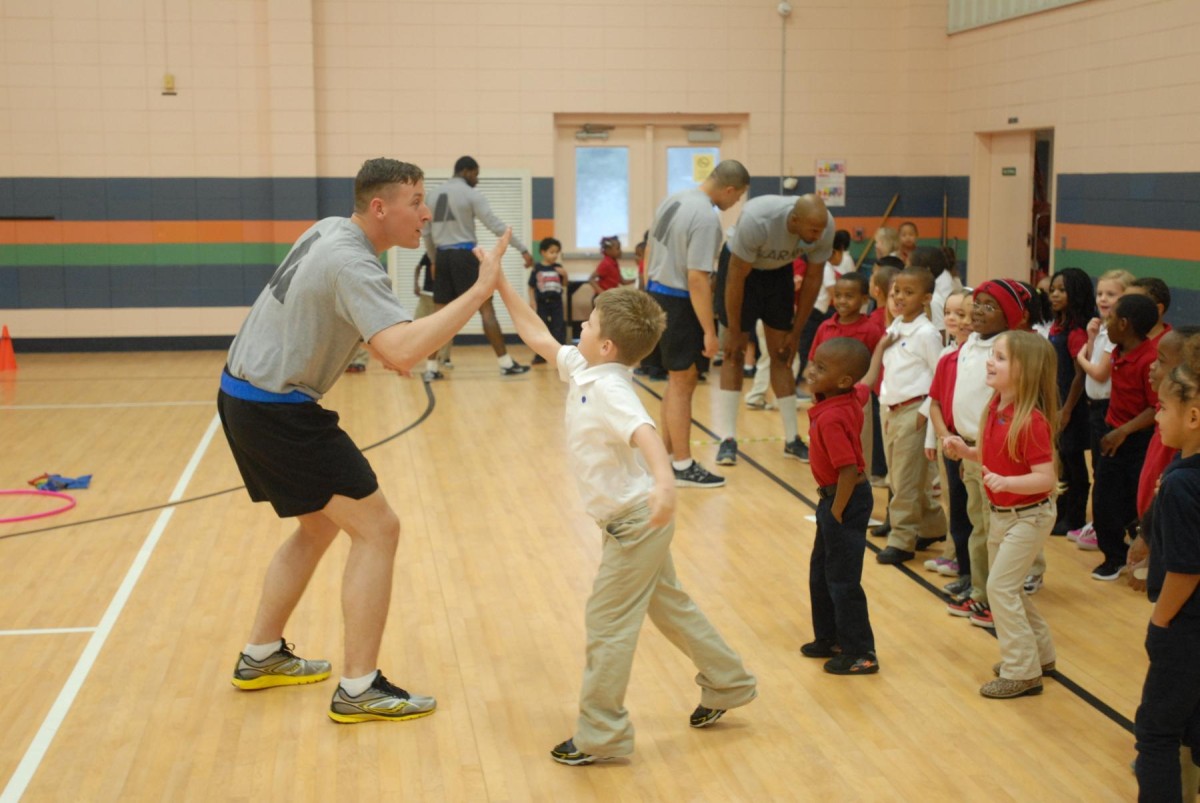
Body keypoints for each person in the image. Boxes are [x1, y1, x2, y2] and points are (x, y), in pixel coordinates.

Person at [221, 158, 510, 722]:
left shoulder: (331, 228)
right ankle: (359, 688)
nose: (426, 214)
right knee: (379, 529)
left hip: (244, 395)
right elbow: (401, 348)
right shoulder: (353, 263)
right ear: (380, 208)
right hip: (278, 411)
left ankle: (260, 654)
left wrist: (383, 344)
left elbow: (335, 316)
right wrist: (480, 291)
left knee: (320, 523)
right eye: (416, 201)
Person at [494, 280, 758, 765]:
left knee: (607, 621)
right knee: (670, 606)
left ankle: (602, 733)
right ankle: (729, 681)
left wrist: (664, 482)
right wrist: (500, 285)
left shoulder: (612, 388)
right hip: (631, 522)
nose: (581, 328)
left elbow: (645, 433)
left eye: (589, 324)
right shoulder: (586, 369)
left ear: (607, 344)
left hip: (636, 522)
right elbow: (537, 336)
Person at [944, 331, 1059, 699]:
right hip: (1003, 515)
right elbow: (996, 454)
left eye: (1001, 357)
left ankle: (1022, 672)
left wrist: (1007, 480)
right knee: (1007, 587)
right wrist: (967, 450)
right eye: (991, 355)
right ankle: (1039, 656)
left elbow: (1046, 478)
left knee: (1000, 588)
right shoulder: (995, 407)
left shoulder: (1032, 421)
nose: (990, 362)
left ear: (1026, 371)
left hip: (1030, 516)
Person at [644, 160, 751, 488]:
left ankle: (664, 459)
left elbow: (649, 250)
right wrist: (709, 331)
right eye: (737, 198)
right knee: (682, 382)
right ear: (729, 189)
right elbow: (697, 278)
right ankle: (682, 464)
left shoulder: (674, 199)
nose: (735, 204)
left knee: (677, 381)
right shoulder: (706, 217)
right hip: (678, 302)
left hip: (656, 294)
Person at [712, 193, 836, 466]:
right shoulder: (759, 219)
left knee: (782, 353)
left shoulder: (824, 227)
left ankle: (792, 439)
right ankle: (728, 439)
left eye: (821, 229)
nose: (819, 235)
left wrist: (796, 332)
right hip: (740, 270)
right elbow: (735, 278)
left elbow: (813, 279)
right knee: (734, 353)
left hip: (778, 273)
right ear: (794, 220)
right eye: (813, 230)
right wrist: (734, 329)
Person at [1133, 337, 1200, 800]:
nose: (1157, 418)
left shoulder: (1180, 484)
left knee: (1156, 734)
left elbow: (1185, 569)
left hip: (1187, 626)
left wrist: (1160, 622)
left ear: (1192, 417)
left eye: (1162, 409)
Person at [943, 279, 1030, 627]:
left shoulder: (1009, 349)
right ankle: (981, 592)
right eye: (976, 303)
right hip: (968, 448)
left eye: (989, 306)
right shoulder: (969, 344)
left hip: (991, 450)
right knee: (978, 526)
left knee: (995, 530)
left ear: (1009, 315)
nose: (977, 310)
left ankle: (997, 597)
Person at [800, 337, 881, 675]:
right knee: (821, 574)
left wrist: (836, 512)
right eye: (814, 362)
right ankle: (830, 638)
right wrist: (880, 350)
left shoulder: (832, 417)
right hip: (836, 499)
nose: (811, 371)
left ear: (843, 381)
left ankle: (861, 653)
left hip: (844, 499)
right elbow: (867, 383)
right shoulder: (847, 396)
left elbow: (849, 470)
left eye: (821, 368)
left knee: (842, 580)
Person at [424, 155, 534, 376]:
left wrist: (434, 260)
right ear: (466, 171)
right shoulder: (470, 194)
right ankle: (505, 364)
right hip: (465, 254)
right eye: (476, 174)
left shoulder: (433, 194)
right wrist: (522, 248)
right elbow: (494, 224)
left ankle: (431, 368)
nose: (477, 179)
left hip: (443, 256)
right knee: (486, 308)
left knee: (438, 315)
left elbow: (426, 232)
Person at [873, 263, 947, 565]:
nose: (899, 298)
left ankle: (902, 540)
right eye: (896, 292)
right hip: (888, 409)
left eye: (908, 292)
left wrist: (924, 412)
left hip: (912, 411)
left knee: (903, 480)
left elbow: (938, 377)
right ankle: (933, 525)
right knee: (902, 475)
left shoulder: (927, 333)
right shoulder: (897, 325)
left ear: (927, 298)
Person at [1092, 293, 1161, 581]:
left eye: (1110, 318)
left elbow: (1153, 407)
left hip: (1136, 441)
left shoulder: (1149, 359)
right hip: (1112, 435)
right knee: (1104, 500)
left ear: (1124, 323)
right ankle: (1113, 557)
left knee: (1137, 501)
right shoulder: (1117, 351)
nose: (1106, 323)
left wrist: (1123, 431)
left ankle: (1141, 552)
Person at [1071, 269, 1135, 547]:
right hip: (1094, 406)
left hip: (1107, 407)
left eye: (1112, 294)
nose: (1103, 299)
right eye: (1100, 294)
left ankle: (1106, 525)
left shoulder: (1116, 333)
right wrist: (1090, 338)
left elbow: (1097, 373)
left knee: (1104, 470)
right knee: (1098, 466)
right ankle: (1099, 523)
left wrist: (1080, 356)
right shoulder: (1103, 329)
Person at [1046, 268, 1095, 536]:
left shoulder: (1076, 331)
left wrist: (1066, 410)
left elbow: (1079, 375)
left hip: (1072, 408)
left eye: (1061, 290)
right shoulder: (1057, 326)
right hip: (1057, 403)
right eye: (1052, 289)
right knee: (1062, 459)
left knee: (1074, 463)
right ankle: (1063, 511)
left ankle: (1075, 515)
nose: (1054, 294)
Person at [411, 253, 455, 381]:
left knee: (445, 328)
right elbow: (418, 267)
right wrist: (416, 284)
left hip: (443, 297)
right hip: (426, 295)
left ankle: (444, 358)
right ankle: (412, 355)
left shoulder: (449, 255)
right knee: (416, 325)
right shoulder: (429, 254)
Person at [528, 237, 567, 364]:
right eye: (552, 252)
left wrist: (565, 274)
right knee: (542, 328)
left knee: (558, 327)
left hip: (556, 302)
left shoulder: (558, 268)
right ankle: (541, 355)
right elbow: (531, 286)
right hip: (542, 303)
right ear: (543, 252)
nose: (555, 255)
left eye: (557, 252)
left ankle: (560, 355)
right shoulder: (537, 268)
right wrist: (532, 301)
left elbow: (565, 284)